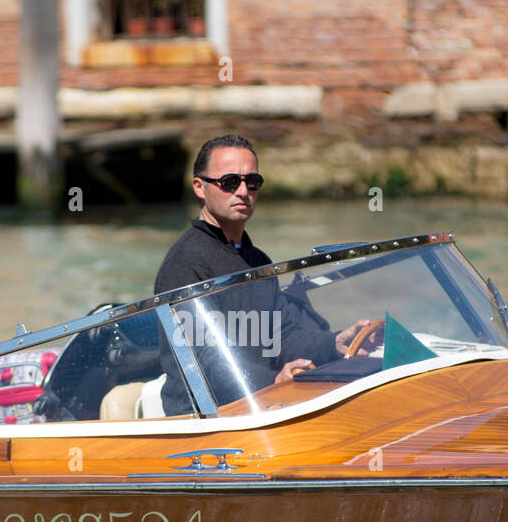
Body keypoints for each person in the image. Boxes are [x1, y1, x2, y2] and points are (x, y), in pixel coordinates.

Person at [153, 134, 375, 414]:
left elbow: (282, 335)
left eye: (252, 182)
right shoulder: (185, 264)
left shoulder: (257, 260)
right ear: (200, 187)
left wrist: (333, 343)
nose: (243, 191)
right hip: (205, 416)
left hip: (266, 403)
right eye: (230, 182)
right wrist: (272, 381)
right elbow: (203, 359)